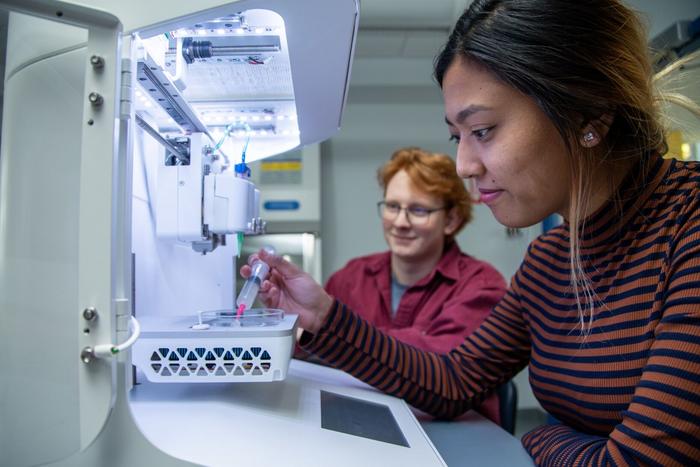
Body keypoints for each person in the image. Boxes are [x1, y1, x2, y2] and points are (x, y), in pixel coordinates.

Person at [242, 1, 700, 465]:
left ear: (590, 115)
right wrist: (323, 317)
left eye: (482, 130)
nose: (464, 166)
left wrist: (541, 440)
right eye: (456, 136)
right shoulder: (549, 259)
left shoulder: (688, 227)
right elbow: (454, 380)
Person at [317, 146, 507, 424]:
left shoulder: (481, 287)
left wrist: (333, 331)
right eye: (393, 207)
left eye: (418, 210)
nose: (400, 222)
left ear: (451, 220)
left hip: (451, 434)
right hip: (362, 423)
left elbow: (444, 371)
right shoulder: (350, 277)